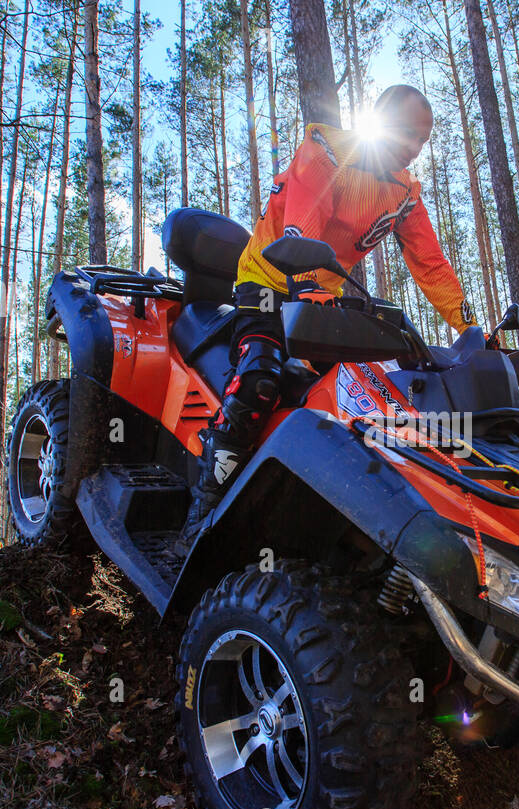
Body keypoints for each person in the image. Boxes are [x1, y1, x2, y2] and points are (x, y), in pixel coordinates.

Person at [189, 84, 475, 529]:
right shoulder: (323, 153)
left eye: (422, 139)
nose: (413, 148)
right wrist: (304, 287)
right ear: (378, 118)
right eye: (406, 133)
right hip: (267, 281)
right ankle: (204, 506)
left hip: (322, 297)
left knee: (364, 395)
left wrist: (471, 328)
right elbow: (302, 228)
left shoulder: (405, 193)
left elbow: (431, 264)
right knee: (259, 380)